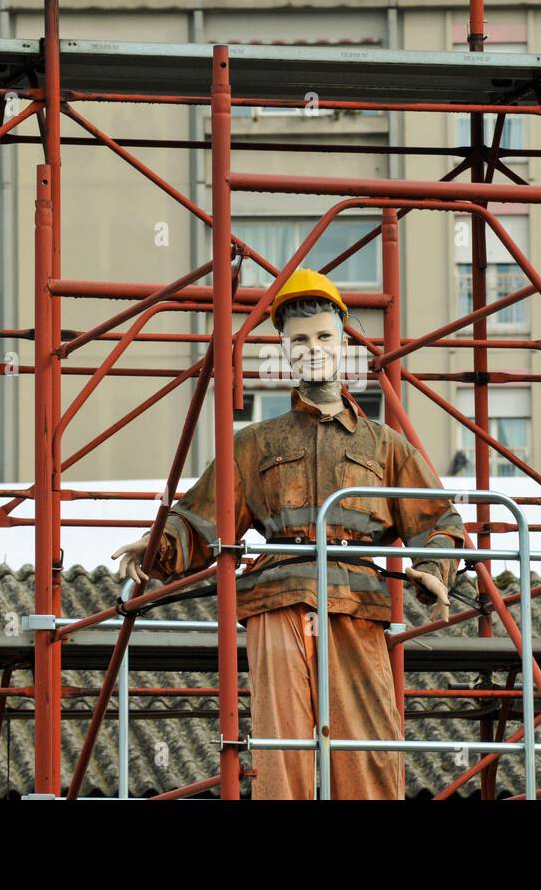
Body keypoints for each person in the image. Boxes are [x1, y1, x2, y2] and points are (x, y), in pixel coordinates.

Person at [111, 267, 465, 799]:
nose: (314, 348)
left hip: (358, 605)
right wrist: (160, 542)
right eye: (300, 340)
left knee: (368, 749)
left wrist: (435, 570)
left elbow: (439, 520)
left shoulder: (384, 445)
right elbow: (203, 519)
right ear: (284, 349)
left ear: (343, 341)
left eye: (324, 336)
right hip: (276, 603)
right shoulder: (256, 443)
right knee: (285, 750)